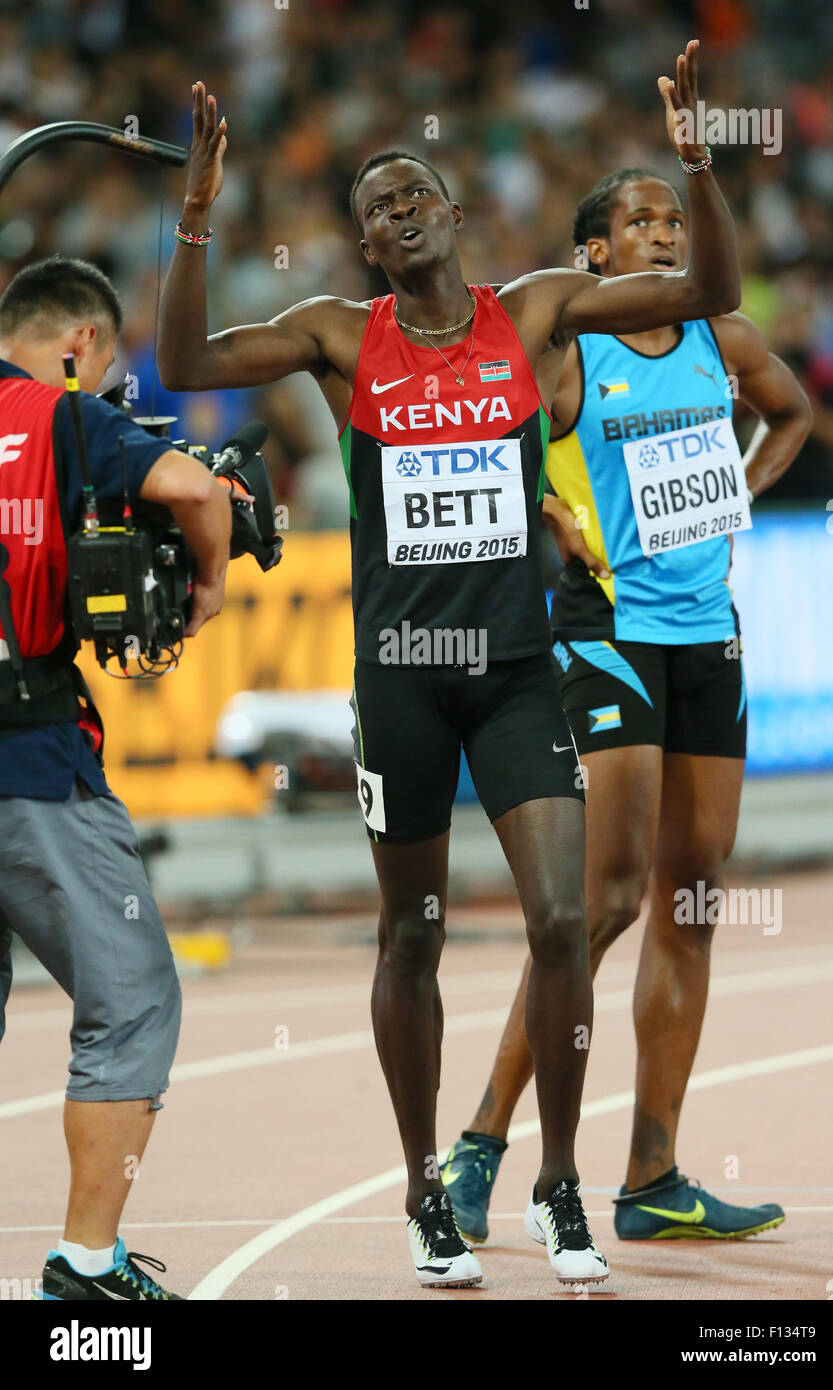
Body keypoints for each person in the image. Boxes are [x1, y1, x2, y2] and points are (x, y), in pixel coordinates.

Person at [157, 42, 741, 1289]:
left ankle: (558, 1187)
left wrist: (696, 166)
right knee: (409, 934)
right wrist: (196, 224)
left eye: (412, 189)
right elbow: (189, 366)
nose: (396, 208)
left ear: (452, 211)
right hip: (403, 676)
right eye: (374, 206)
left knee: (565, 921)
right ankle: (425, 1187)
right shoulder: (334, 332)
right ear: (367, 245)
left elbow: (711, 289)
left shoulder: (527, 311)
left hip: (517, 668)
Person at [442, 168, 812, 1246]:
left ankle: (651, 1176)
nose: (660, 233)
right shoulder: (569, 350)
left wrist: (736, 485)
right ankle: (479, 1141)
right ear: (591, 255)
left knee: (689, 897)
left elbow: (784, 411)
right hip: (606, 632)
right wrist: (540, 512)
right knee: (599, 901)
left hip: (707, 632)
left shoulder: (720, 335)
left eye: (672, 219)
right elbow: (484, 436)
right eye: (636, 221)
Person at [0, 254, 232, 1300]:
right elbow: (191, 484)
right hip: (29, 758)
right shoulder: (60, 414)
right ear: (78, 346)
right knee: (132, 997)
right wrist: (213, 578)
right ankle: (86, 1266)